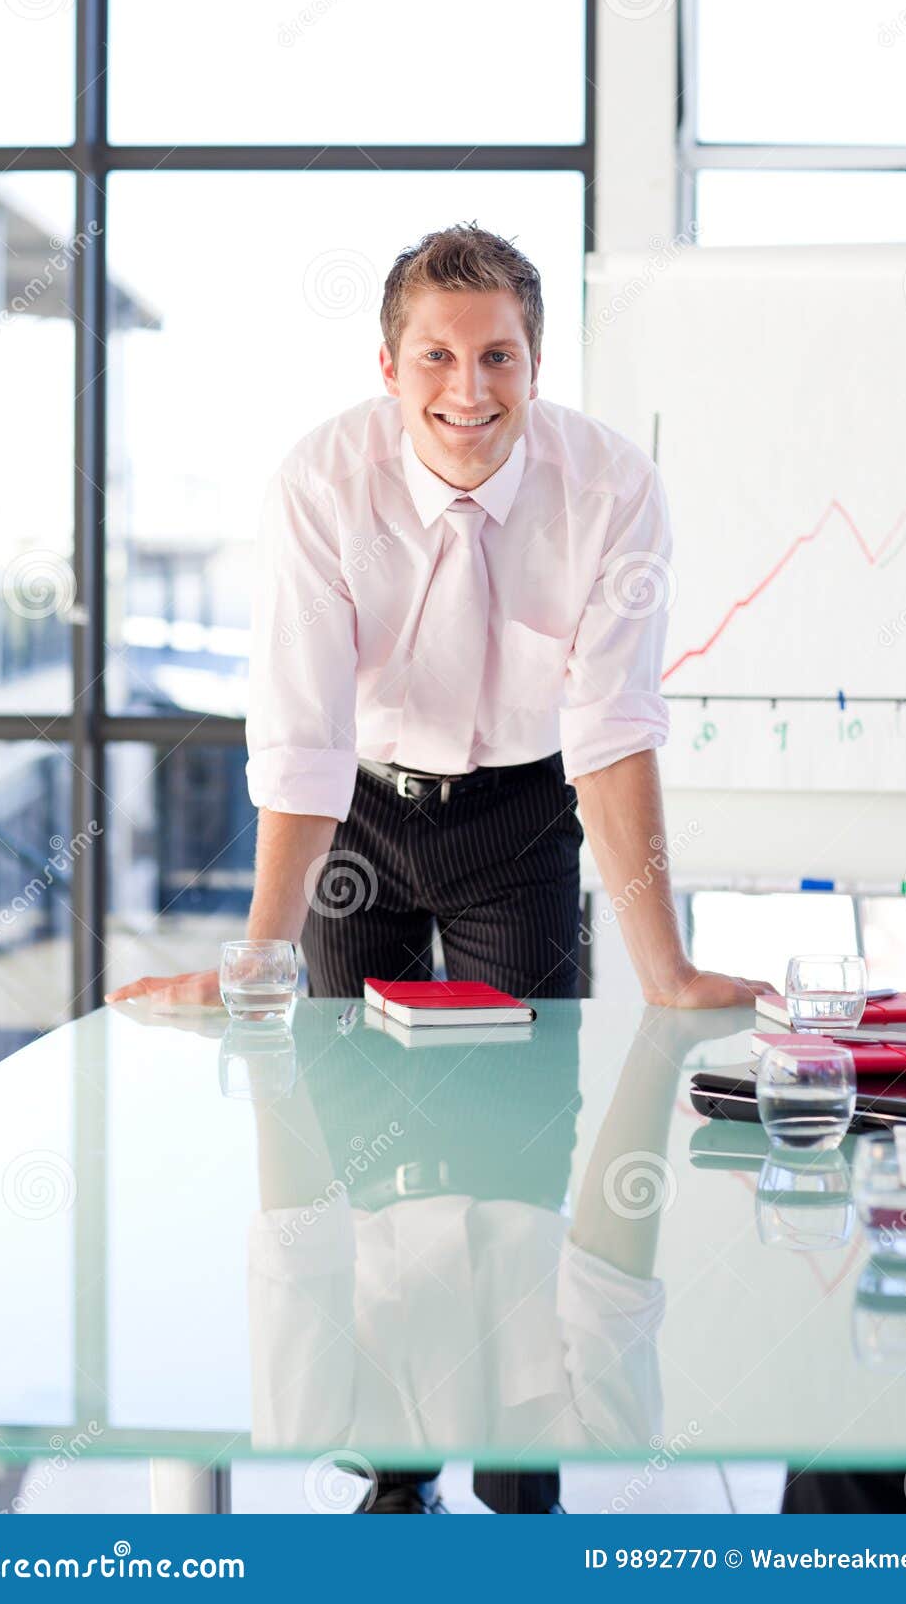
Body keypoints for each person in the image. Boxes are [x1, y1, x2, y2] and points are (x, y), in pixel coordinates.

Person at [108, 222, 777, 1505]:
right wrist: (260, 963)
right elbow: (301, 742)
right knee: (353, 1115)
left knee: (518, 1120)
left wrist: (671, 967)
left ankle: (526, 1468)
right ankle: (398, 1465)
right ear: (389, 363)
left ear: (536, 362)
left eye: (498, 357)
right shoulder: (320, 483)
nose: (468, 390)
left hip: (520, 817)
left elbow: (615, 733)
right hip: (359, 805)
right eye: (438, 356)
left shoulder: (614, 487)